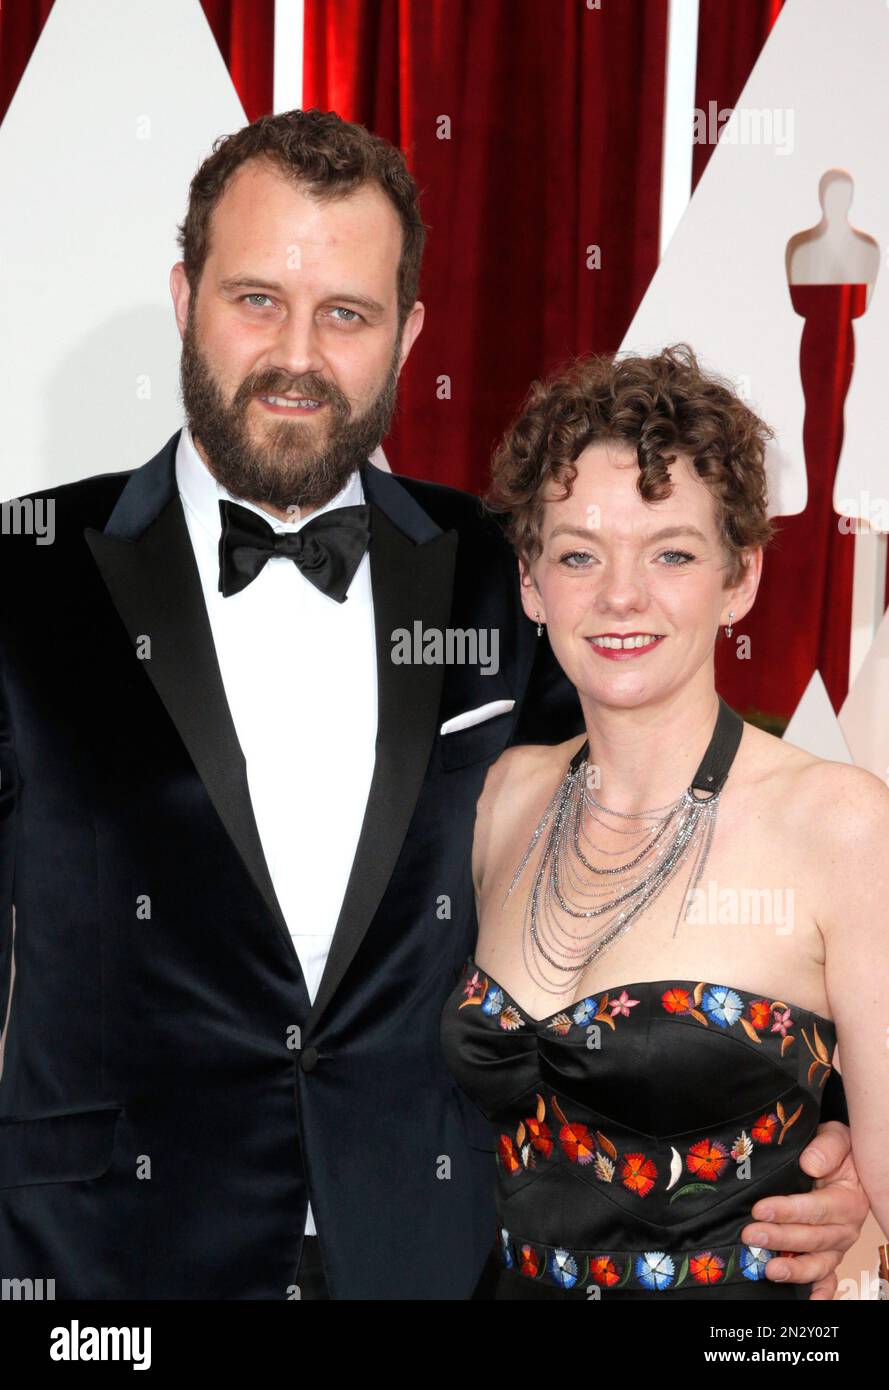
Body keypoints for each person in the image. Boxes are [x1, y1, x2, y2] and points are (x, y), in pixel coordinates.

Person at [0, 110, 868, 1301]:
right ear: (183, 294)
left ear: (407, 332)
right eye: (257, 298)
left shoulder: (513, 568)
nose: (296, 354)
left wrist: (829, 1142)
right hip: (100, 1272)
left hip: (434, 1258)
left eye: (346, 314)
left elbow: (688, 829)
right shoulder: (23, 575)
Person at [442, 344, 888, 1300]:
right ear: (529, 582)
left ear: (741, 582)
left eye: (672, 554)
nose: (619, 597)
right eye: (577, 554)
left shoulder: (840, 827)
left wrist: (850, 1211)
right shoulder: (503, 796)